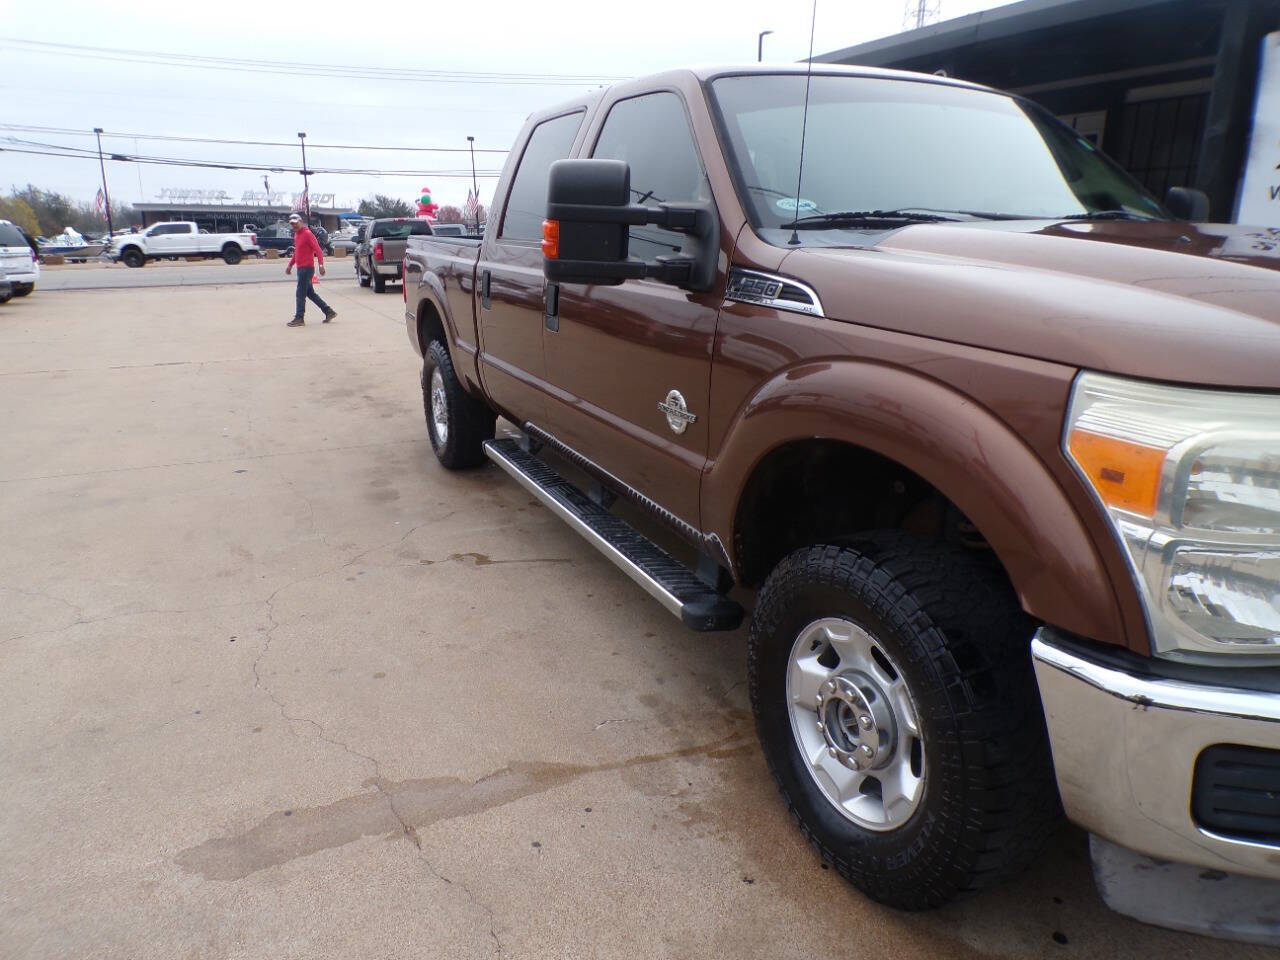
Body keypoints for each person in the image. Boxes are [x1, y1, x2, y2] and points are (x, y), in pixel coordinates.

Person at [284, 213, 337, 327]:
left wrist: (321, 265)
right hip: (300, 268)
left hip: (307, 268)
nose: (294, 226)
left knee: (300, 293)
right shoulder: (297, 235)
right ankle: (328, 311)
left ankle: (299, 318)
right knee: (310, 293)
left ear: (301, 222)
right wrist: (290, 265)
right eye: (292, 224)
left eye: (296, 223)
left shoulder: (307, 234)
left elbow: (318, 250)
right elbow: (297, 253)